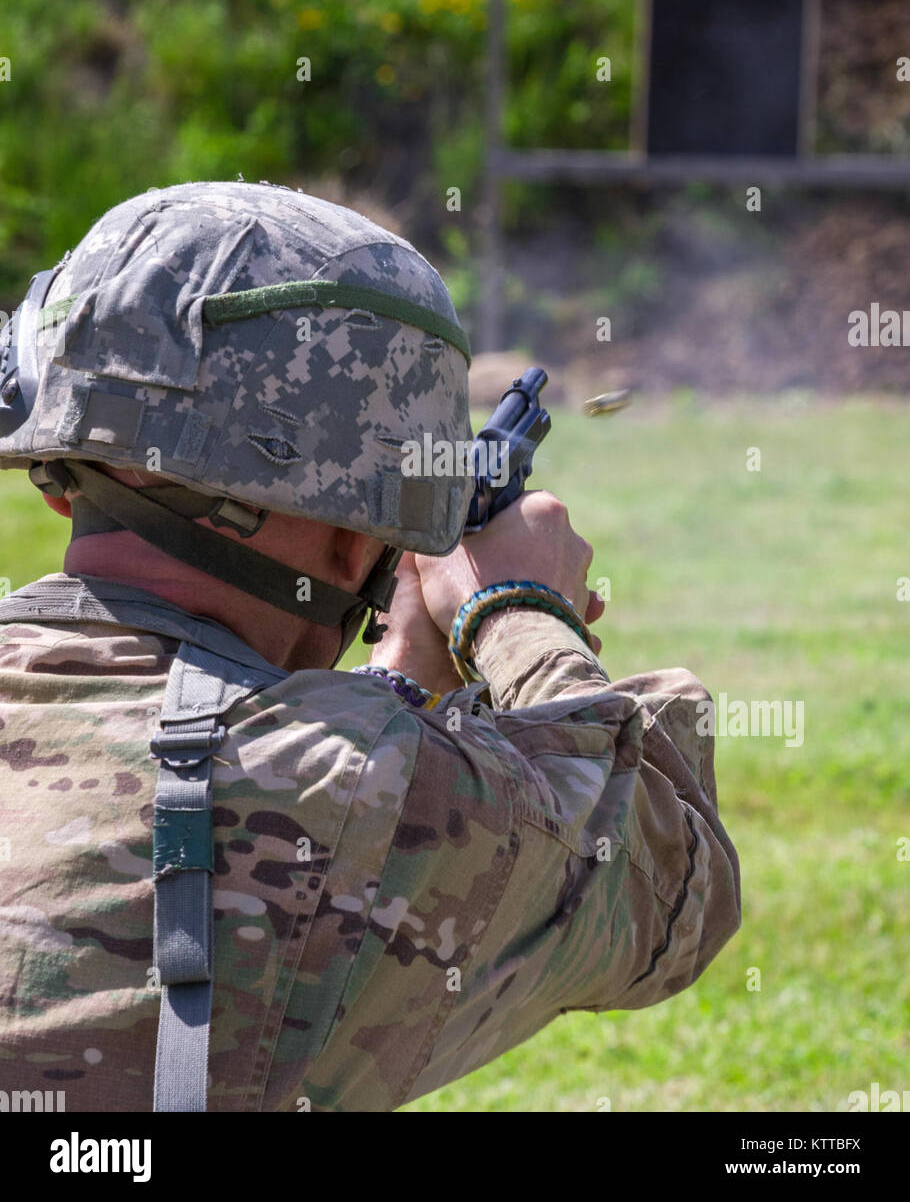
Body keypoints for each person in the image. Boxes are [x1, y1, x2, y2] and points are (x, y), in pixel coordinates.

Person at [0, 180, 740, 1112]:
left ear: (62, 480)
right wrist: (517, 611)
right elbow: (666, 881)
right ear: (358, 543)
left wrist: (399, 686)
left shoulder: (333, 783)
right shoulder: (345, 793)